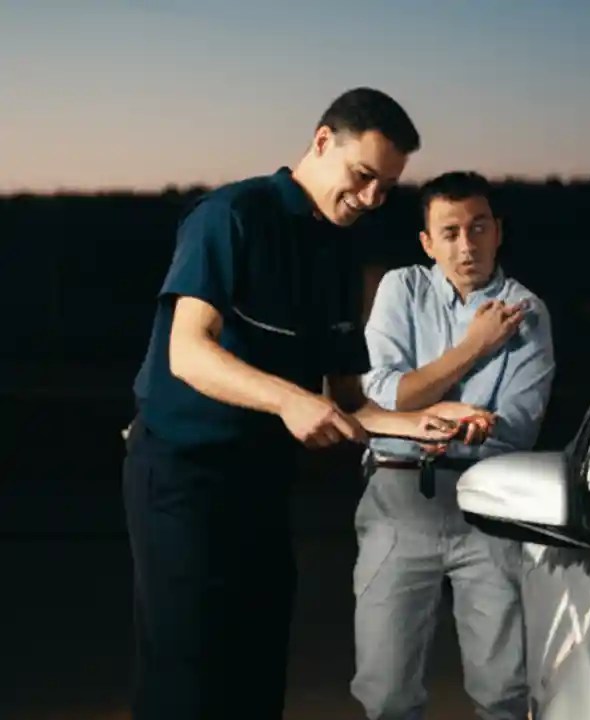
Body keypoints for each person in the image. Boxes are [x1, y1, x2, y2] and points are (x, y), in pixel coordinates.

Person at [122, 87, 458, 720]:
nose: (369, 200)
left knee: (256, 663)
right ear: (322, 142)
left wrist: (418, 424)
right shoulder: (231, 216)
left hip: (264, 481)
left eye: (385, 189)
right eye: (363, 178)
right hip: (181, 475)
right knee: (187, 674)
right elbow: (187, 353)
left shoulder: (340, 253)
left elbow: (347, 404)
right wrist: (287, 401)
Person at [351, 170, 556, 720]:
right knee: (386, 689)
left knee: (504, 689)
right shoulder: (402, 288)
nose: (466, 245)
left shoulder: (527, 310)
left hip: (487, 507)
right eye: (449, 232)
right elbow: (384, 395)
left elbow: (515, 426)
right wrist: (474, 347)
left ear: (498, 231)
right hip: (398, 496)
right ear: (427, 243)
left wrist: (428, 407)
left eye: (478, 227)